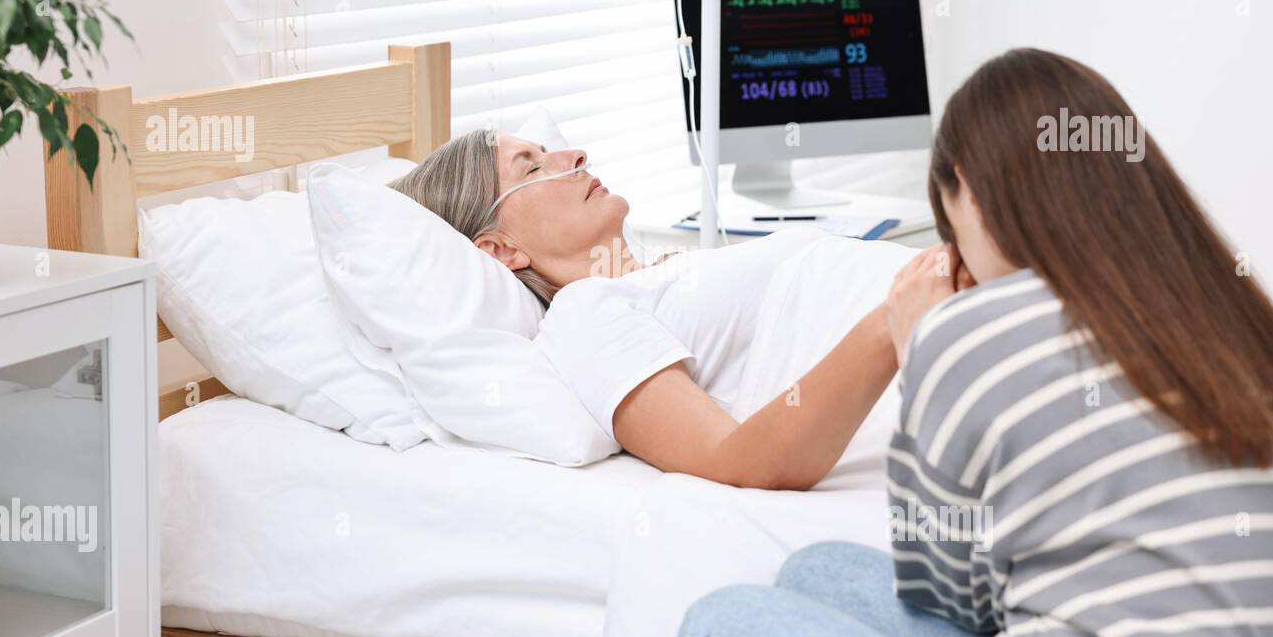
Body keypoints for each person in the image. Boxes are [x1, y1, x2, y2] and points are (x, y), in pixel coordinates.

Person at [675, 48, 1273, 637]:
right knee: (817, 570)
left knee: (715, 626)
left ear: (967, 187)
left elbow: (954, 595)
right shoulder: (1235, 317)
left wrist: (925, 353)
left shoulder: (974, 334)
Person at [389, 130, 960, 490]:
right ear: (501, 249)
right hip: (946, 337)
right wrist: (890, 322)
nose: (575, 154)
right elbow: (737, 463)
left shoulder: (659, 278)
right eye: (533, 167)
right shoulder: (584, 316)